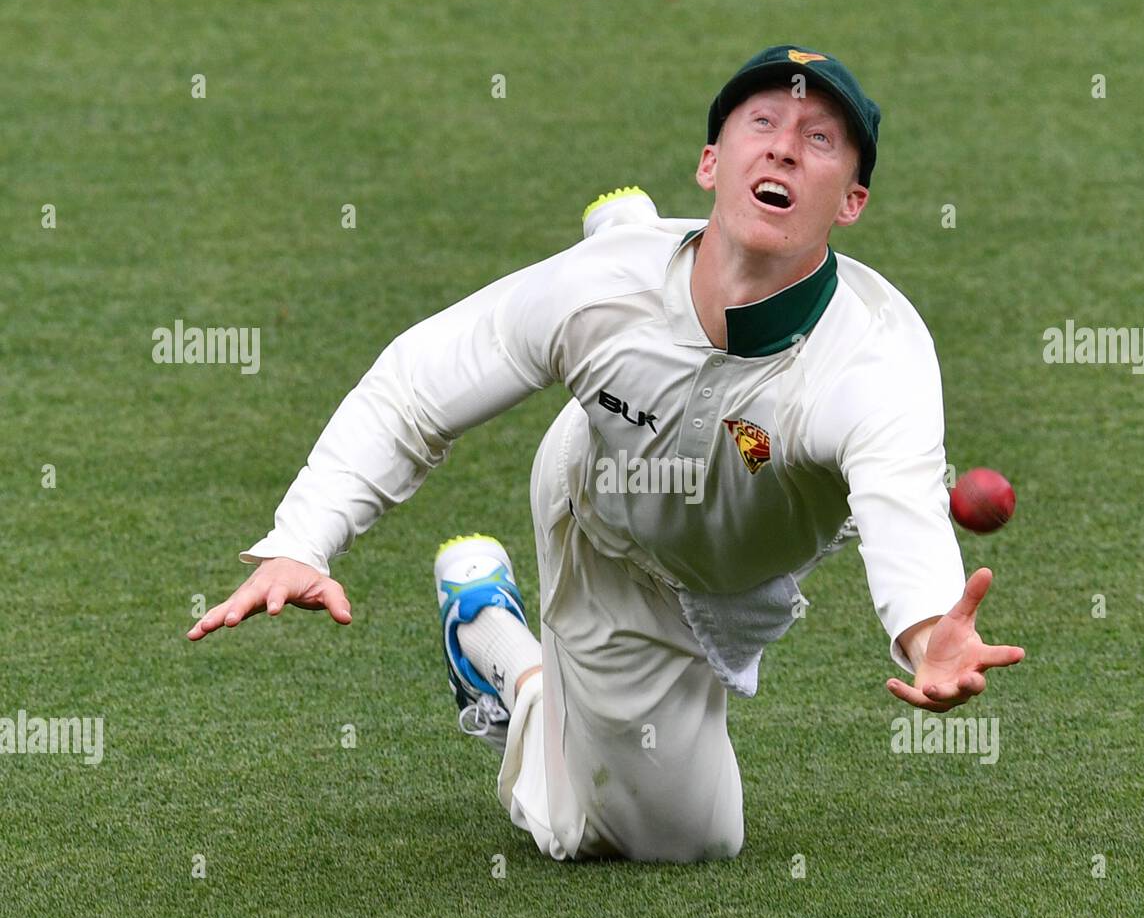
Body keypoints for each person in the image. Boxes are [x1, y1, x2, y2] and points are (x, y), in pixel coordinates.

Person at [187, 45, 1025, 863]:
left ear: (852, 200)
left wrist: (925, 632)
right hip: (604, 524)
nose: (782, 145)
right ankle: (505, 661)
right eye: (762, 121)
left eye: (819, 140)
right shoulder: (599, 291)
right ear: (711, 162)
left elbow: (902, 501)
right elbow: (416, 385)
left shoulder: (875, 360)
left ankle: (625, 228)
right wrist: (301, 538)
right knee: (674, 843)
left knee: (685, 831)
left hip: (728, 570)